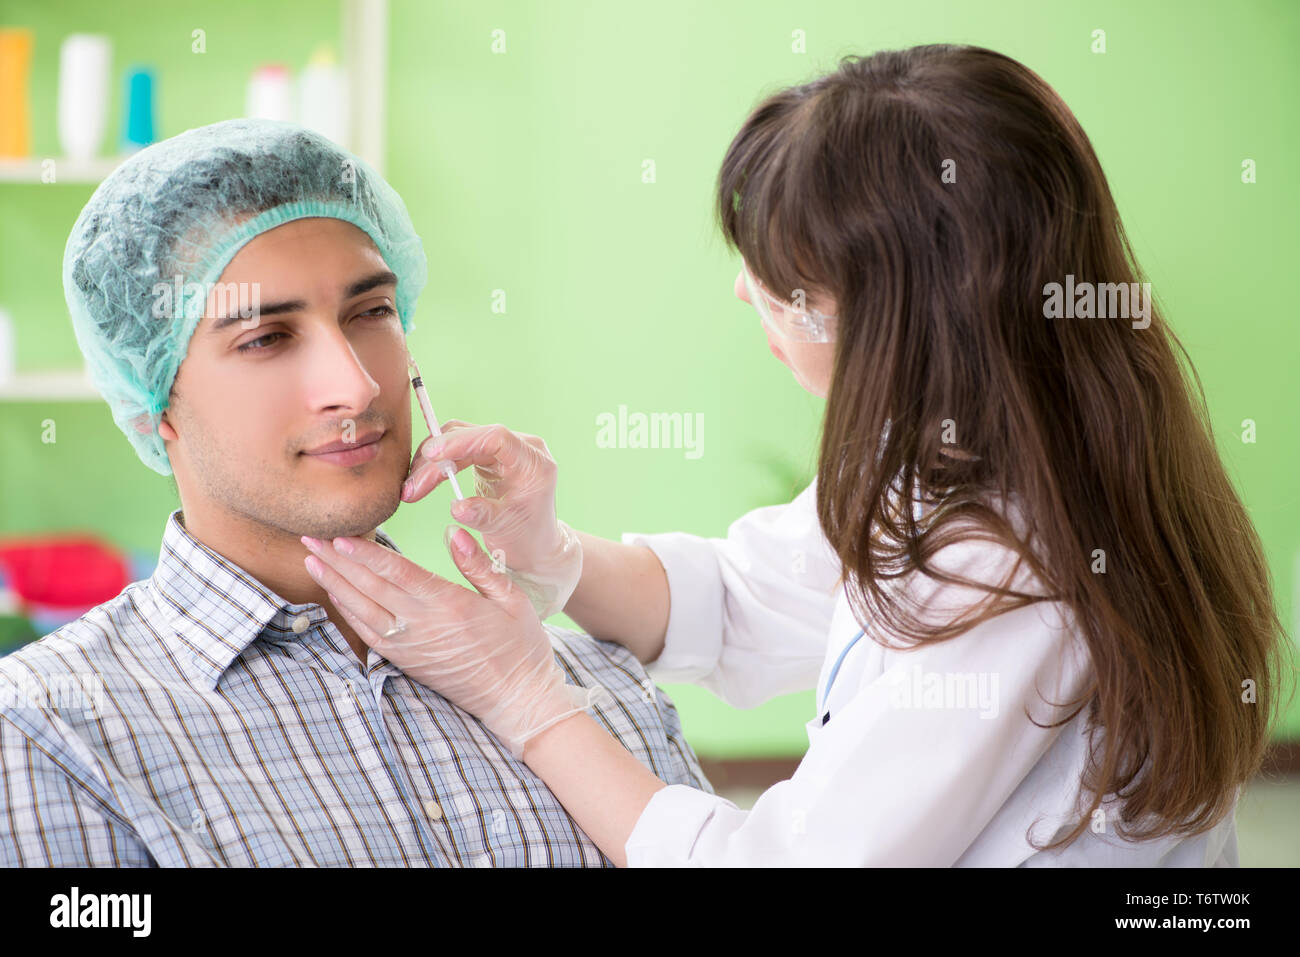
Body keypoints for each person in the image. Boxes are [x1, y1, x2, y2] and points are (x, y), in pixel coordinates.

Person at [305, 44, 1293, 867]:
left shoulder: (1007, 563)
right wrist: (552, 553)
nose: (744, 295)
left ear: (903, 315)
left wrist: (526, 699)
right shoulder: (975, 449)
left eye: (780, 277)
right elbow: (744, 596)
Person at [0, 118, 711, 867]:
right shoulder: (51, 730)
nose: (358, 384)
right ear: (154, 399)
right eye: (265, 338)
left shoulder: (595, 690)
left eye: (370, 312)